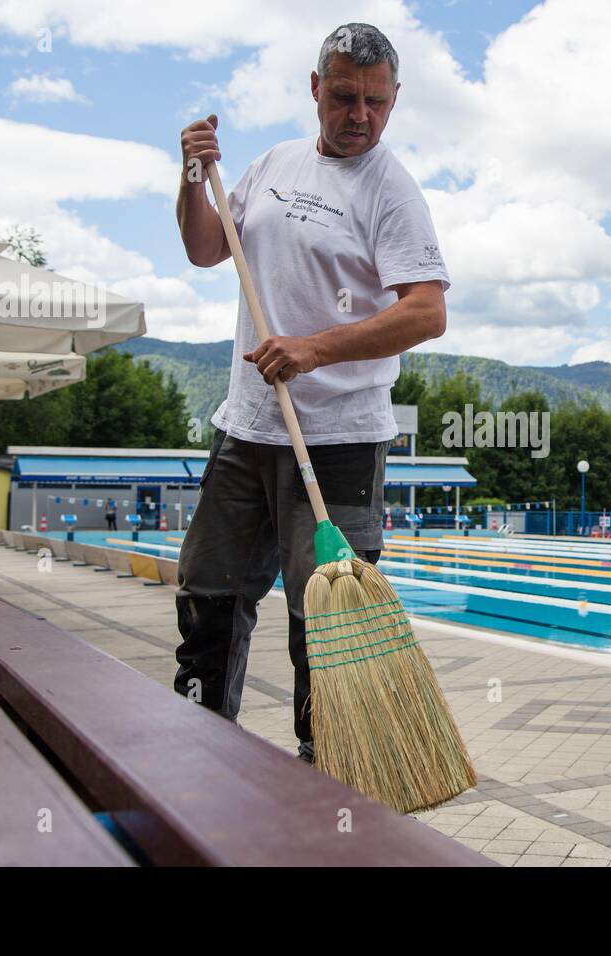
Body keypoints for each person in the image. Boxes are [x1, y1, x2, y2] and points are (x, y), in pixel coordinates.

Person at [172, 23, 449, 765]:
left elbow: (427, 310)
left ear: (394, 102)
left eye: (378, 102)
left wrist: (314, 348)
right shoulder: (272, 164)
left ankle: (323, 786)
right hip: (247, 429)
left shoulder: (391, 190)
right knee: (208, 600)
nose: (361, 115)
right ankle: (197, 763)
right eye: (347, 97)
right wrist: (194, 175)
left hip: (340, 442)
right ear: (316, 89)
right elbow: (206, 247)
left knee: (321, 623)